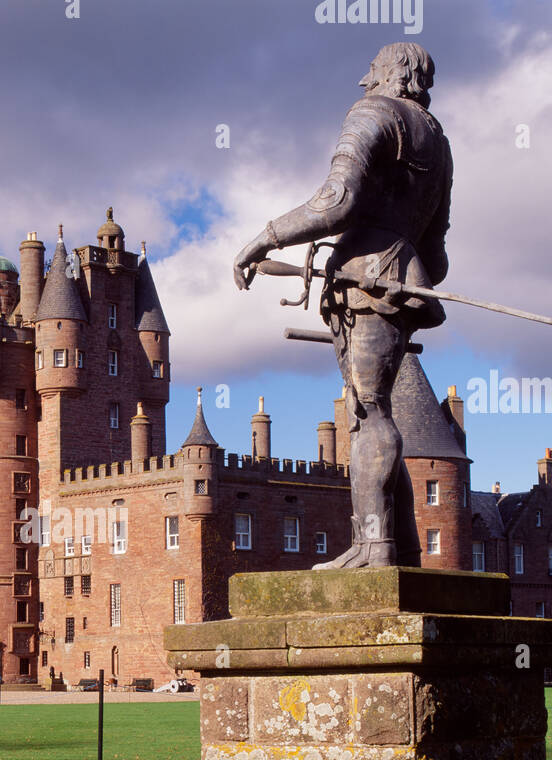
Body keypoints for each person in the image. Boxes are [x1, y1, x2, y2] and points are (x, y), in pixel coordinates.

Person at [234, 42, 453, 568]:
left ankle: (374, 547)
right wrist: (405, 271)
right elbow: (437, 251)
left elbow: (338, 199)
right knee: (371, 409)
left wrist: (264, 238)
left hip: (366, 286)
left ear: (388, 74)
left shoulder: (374, 113)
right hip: (399, 285)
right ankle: (401, 549)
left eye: (373, 71)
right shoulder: (438, 141)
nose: (367, 80)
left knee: (370, 411)